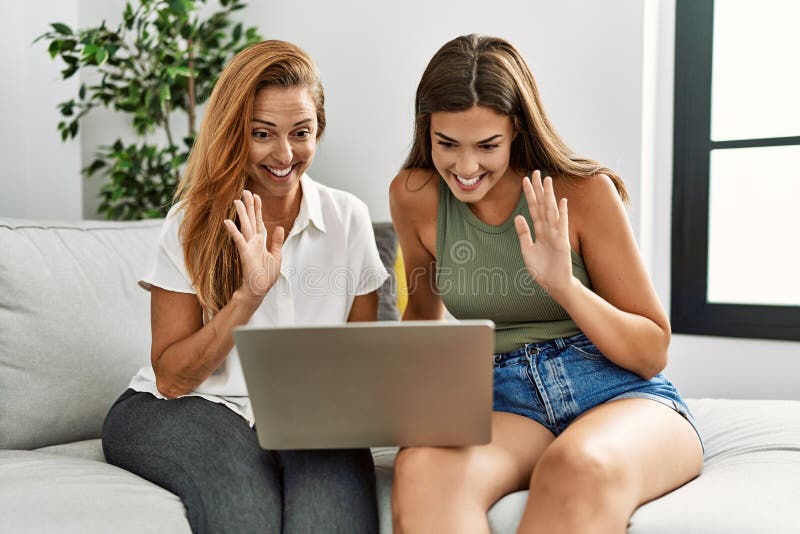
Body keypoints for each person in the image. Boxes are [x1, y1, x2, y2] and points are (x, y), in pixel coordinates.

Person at [389, 34, 704, 533]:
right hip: (500, 397)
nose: (465, 168)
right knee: (422, 469)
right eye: (447, 144)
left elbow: (651, 352)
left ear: (516, 129)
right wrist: (402, 399)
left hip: (613, 390)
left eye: (487, 146)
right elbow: (423, 312)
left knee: (578, 466)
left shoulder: (583, 192)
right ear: (426, 128)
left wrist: (565, 286)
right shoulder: (414, 196)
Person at [101, 40, 386, 534]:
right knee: (244, 505)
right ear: (236, 133)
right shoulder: (191, 223)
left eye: (301, 133)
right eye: (262, 134)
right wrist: (247, 299)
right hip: (184, 408)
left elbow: (358, 365)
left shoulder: (348, 219)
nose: (284, 154)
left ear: (320, 130)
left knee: (331, 517)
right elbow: (171, 379)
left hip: (308, 416)